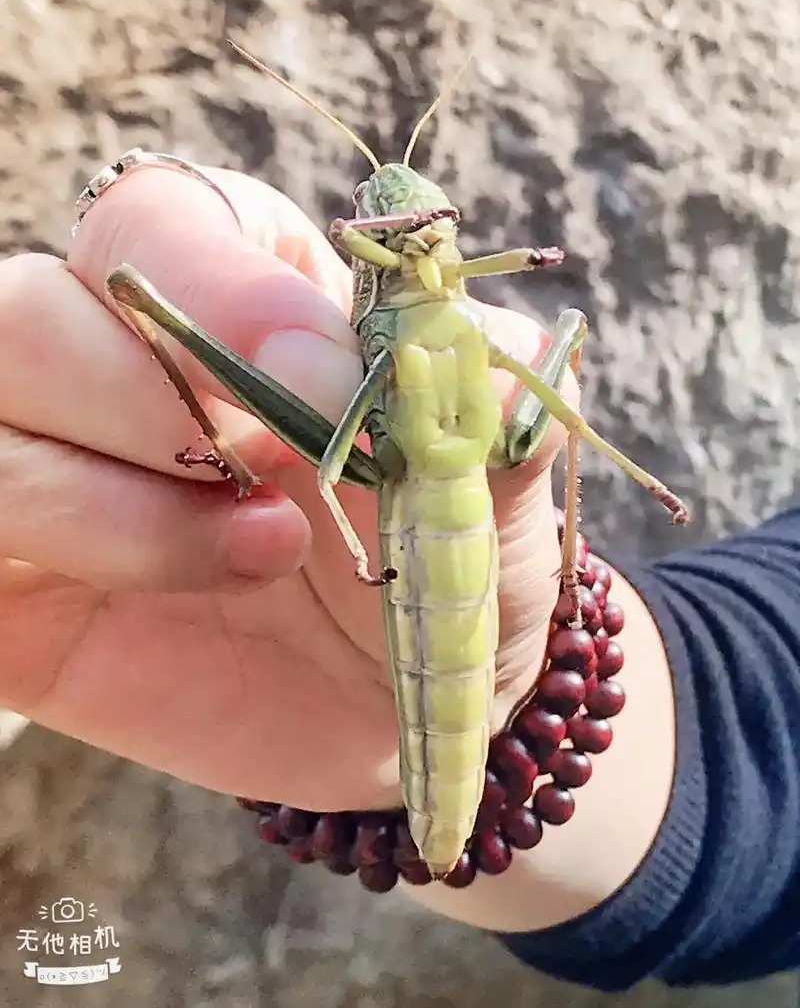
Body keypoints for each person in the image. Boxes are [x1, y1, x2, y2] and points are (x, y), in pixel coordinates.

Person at [1, 158, 798, 992]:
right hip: (371, 506)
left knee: (560, 334)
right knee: (145, 291)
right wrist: (525, 696)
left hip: (411, 507)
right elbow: (768, 719)